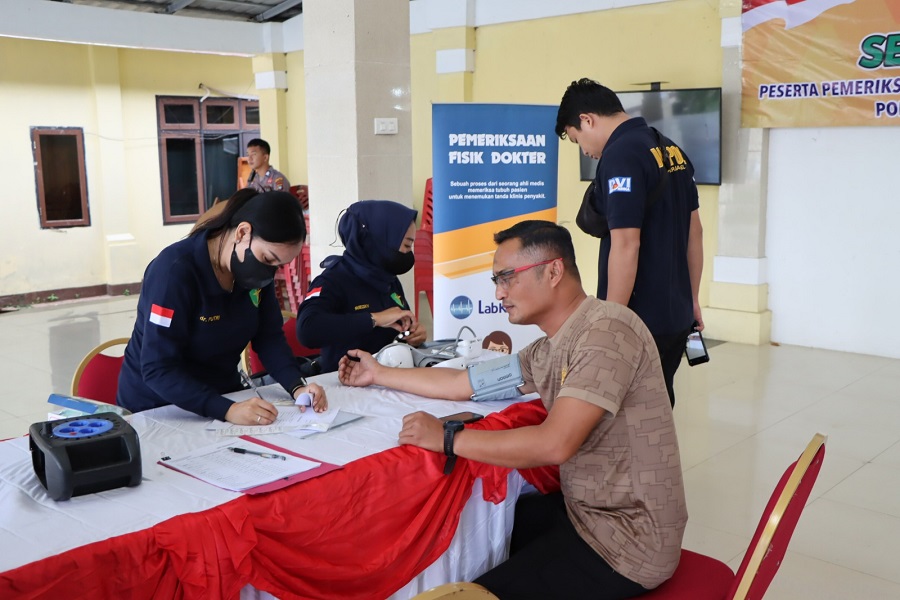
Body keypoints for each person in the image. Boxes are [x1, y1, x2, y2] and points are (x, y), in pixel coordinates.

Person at [338, 220, 687, 598]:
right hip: (585, 515)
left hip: (627, 543)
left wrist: (449, 438)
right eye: (496, 282)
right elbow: (461, 384)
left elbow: (554, 444)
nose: (500, 293)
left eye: (507, 277)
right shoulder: (551, 347)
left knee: (471, 589)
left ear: (553, 271)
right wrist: (377, 373)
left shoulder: (606, 331)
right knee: (471, 532)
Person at [117, 190, 327, 425]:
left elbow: (269, 339)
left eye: (280, 265)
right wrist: (226, 409)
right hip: (159, 409)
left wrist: (297, 387)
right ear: (243, 232)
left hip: (224, 399)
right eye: (268, 259)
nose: (271, 272)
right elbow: (158, 368)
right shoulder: (174, 272)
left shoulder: (253, 275)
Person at [556, 78, 704, 407]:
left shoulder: (621, 155)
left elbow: (626, 243)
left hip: (638, 320)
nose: (586, 152)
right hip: (676, 316)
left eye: (578, 140)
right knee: (659, 407)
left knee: (628, 416)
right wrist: (692, 299)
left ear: (587, 120)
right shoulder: (671, 149)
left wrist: (611, 320)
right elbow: (695, 233)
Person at [297, 200, 426, 373]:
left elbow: (398, 329)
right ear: (378, 240)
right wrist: (374, 319)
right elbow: (307, 330)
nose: (409, 254)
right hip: (344, 384)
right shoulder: (333, 279)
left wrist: (414, 336)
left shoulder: (387, 278)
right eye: (406, 245)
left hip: (388, 379)